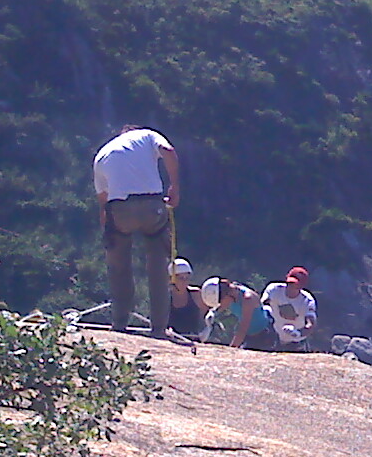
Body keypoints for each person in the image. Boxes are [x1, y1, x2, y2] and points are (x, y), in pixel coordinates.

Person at [94, 125, 179, 335]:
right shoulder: (148, 135)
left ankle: (120, 323)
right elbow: (168, 151)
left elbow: (103, 201)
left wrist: (109, 230)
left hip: (119, 208)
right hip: (152, 206)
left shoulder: (102, 153)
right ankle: (158, 328)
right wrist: (174, 186)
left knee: (119, 268)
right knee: (158, 265)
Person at [199, 277, 277, 350]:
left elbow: (243, 329)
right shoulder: (232, 293)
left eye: (219, 302)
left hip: (264, 337)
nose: (220, 305)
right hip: (249, 335)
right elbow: (218, 309)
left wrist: (230, 350)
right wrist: (211, 316)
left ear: (225, 295)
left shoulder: (247, 300)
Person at [262, 266, 317, 349]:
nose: (290, 286)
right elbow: (262, 304)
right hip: (275, 336)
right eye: (289, 282)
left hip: (297, 342)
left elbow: (310, 324)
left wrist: (298, 333)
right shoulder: (274, 289)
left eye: (294, 284)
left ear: (301, 286)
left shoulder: (307, 300)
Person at [168, 257, 207, 337]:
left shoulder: (196, 295)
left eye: (187, 278)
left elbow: (206, 320)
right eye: (181, 278)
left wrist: (205, 332)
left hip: (193, 341)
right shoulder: (165, 298)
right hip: (169, 342)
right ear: (172, 280)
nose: (184, 281)